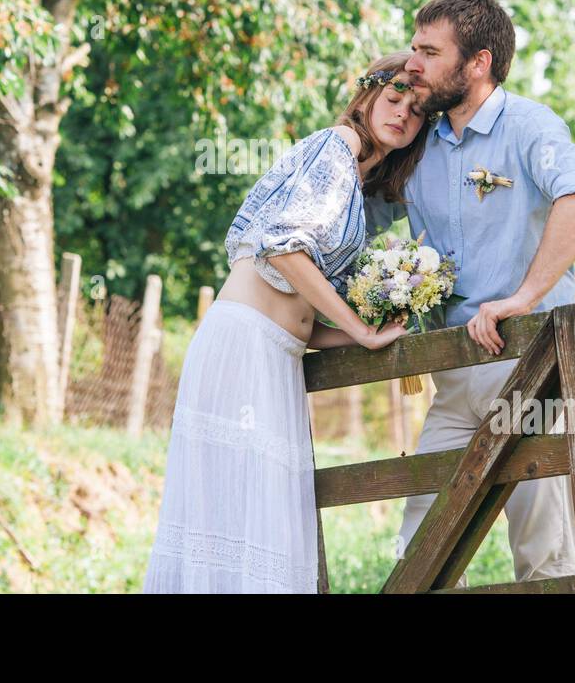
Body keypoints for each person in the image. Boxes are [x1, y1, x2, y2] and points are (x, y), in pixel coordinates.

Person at [143, 51, 429, 593]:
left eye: (416, 113)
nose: (402, 116)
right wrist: (363, 330)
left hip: (278, 355)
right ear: (367, 95)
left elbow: (301, 313)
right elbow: (283, 251)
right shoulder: (337, 146)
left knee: (263, 517)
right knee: (237, 514)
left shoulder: (356, 181)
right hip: (244, 345)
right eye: (394, 98)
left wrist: (355, 334)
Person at [366, 0, 575, 585]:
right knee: (421, 549)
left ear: (478, 63)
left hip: (533, 368)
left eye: (429, 51)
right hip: (451, 379)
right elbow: (356, 218)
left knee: (542, 550)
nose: (412, 64)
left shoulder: (529, 125)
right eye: (411, 49)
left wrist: (523, 298)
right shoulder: (417, 139)